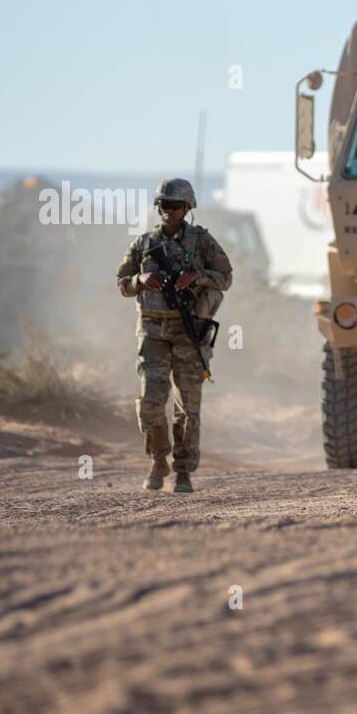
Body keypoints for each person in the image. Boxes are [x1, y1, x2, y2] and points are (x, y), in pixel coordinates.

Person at [116, 178, 232, 492]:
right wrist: (141, 278)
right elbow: (122, 283)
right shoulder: (143, 244)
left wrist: (199, 275)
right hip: (153, 332)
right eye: (164, 205)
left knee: (188, 409)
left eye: (176, 206)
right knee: (150, 403)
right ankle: (158, 460)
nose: (169, 211)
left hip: (189, 332)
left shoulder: (202, 242)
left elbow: (226, 277)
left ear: (187, 208)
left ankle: (183, 471)